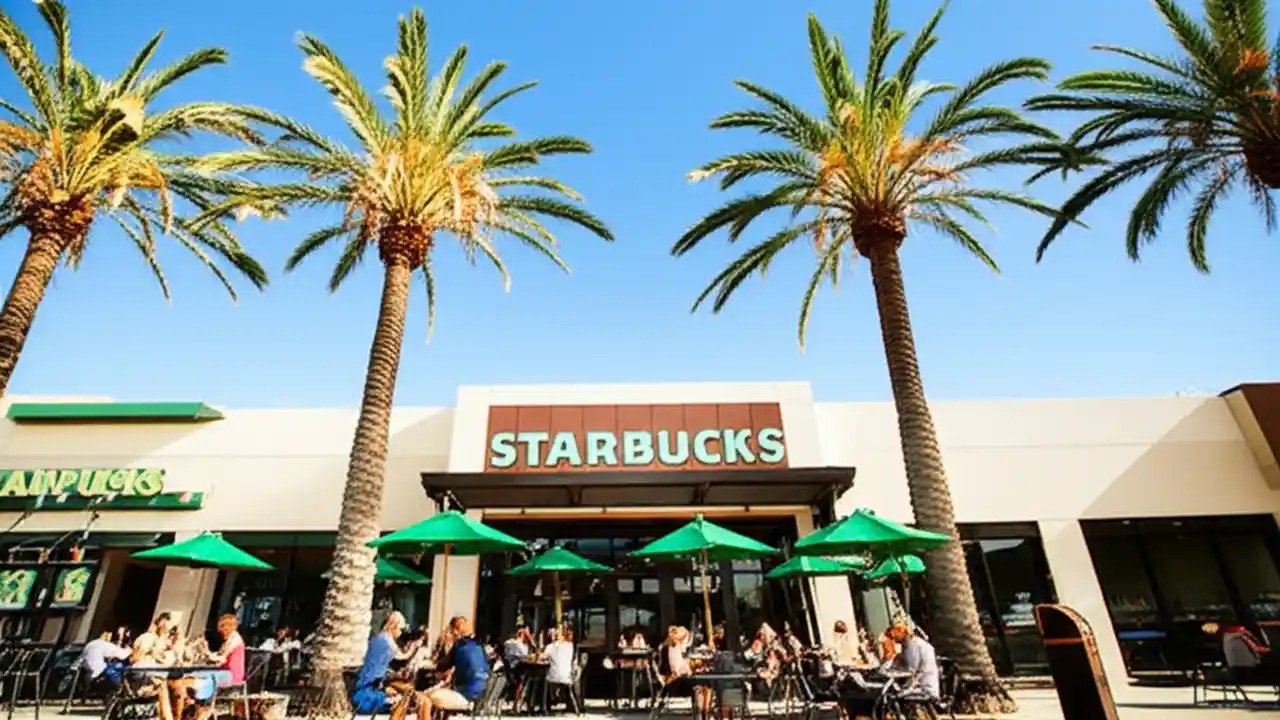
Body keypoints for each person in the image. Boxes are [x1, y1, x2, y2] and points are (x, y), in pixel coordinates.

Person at [352, 611, 429, 720]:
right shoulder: (386, 642)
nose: (401, 632)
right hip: (367, 696)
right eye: (400, 629)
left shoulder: (379, 638)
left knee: (405, 697)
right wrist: (414, 647)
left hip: (363, 690)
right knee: (404, 701)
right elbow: (402, 661)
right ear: (392, 626)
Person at [433, 616, 491, 708]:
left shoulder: (459, 646)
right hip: (482, 694)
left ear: (455, 630)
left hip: (465, 695)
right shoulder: (479, 645)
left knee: (431, 697)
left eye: (451, 631)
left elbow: (441, 667)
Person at [890, 621, 940, 700]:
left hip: (924, 687)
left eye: (895, 633)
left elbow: (912, 670)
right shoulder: (907, 645)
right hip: (918, 684)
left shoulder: (913, 645)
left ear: (902, 632)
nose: (893, 636)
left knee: (895, 696)